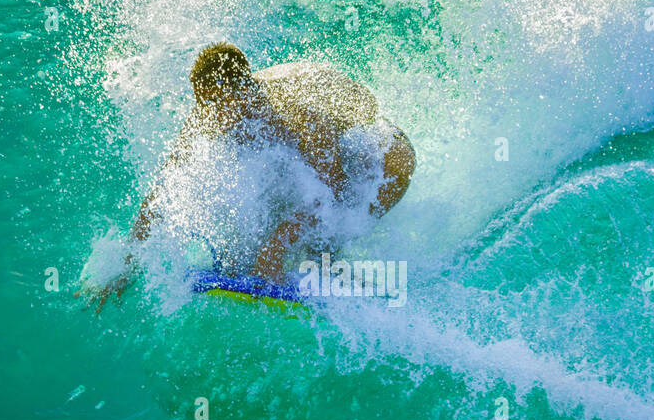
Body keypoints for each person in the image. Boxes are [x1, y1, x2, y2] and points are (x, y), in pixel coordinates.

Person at [84, 43, 415, 310]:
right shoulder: (210, 112)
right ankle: (298, 253)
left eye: (219, 103)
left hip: (364, 141)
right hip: (312, 150)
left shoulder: (299, 110)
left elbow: (330, 189)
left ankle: (330, 263)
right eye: (205, 104)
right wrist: (127, 263)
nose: (213, 115)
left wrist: (274, 249)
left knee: (393, 165)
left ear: (244, 90)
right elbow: (163, 193)